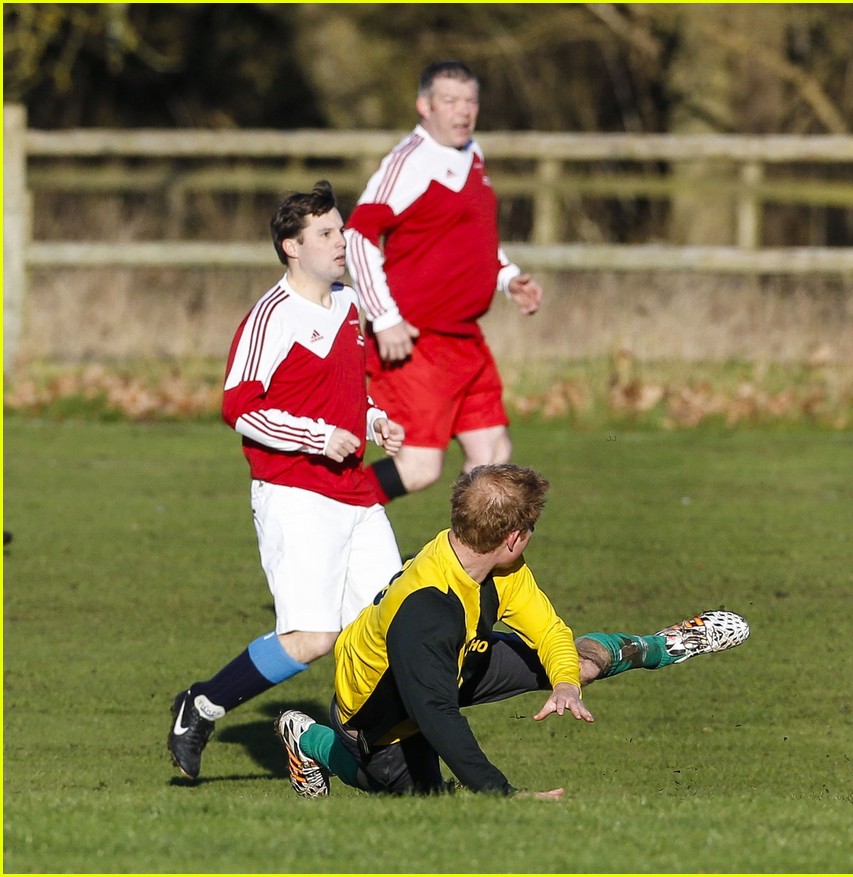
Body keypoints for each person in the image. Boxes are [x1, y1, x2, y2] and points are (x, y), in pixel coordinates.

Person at [272, 463, 751, 798]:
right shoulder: (426, 610)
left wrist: (565, 681)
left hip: (460, 658)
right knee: (414, 800)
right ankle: (308, 739)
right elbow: (436, 716)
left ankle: (666, 643)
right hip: (382, 710)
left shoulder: (499, 566)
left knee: (574, 663)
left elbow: (548, 629)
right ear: (512, 537)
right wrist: (503, 795)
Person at [168, 181, 406, 781]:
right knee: (312, 637)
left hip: (356, 491)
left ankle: (371, 754)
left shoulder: (350, 303)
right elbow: (238, 407)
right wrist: (317, 438)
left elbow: (350, 392)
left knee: (394, 627)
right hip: (295, 493)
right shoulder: (270, 316)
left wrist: (374, 421)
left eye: (341, 229)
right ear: (290, 247)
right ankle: (200, 706)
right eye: (326, 233)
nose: (341, 241)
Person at [345, 59, 543, 506]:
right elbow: (357, 235)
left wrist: (507, 278)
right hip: (415, 342)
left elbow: (470, 240)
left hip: (465, 339)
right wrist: (385, 317)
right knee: (418, 468)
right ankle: (331, 511)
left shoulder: (472, 153)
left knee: (492, 457)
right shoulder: (408, 162)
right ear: (424, 106)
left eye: (470, 100)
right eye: (450, 100)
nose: (463, 111)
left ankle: (465, 571)